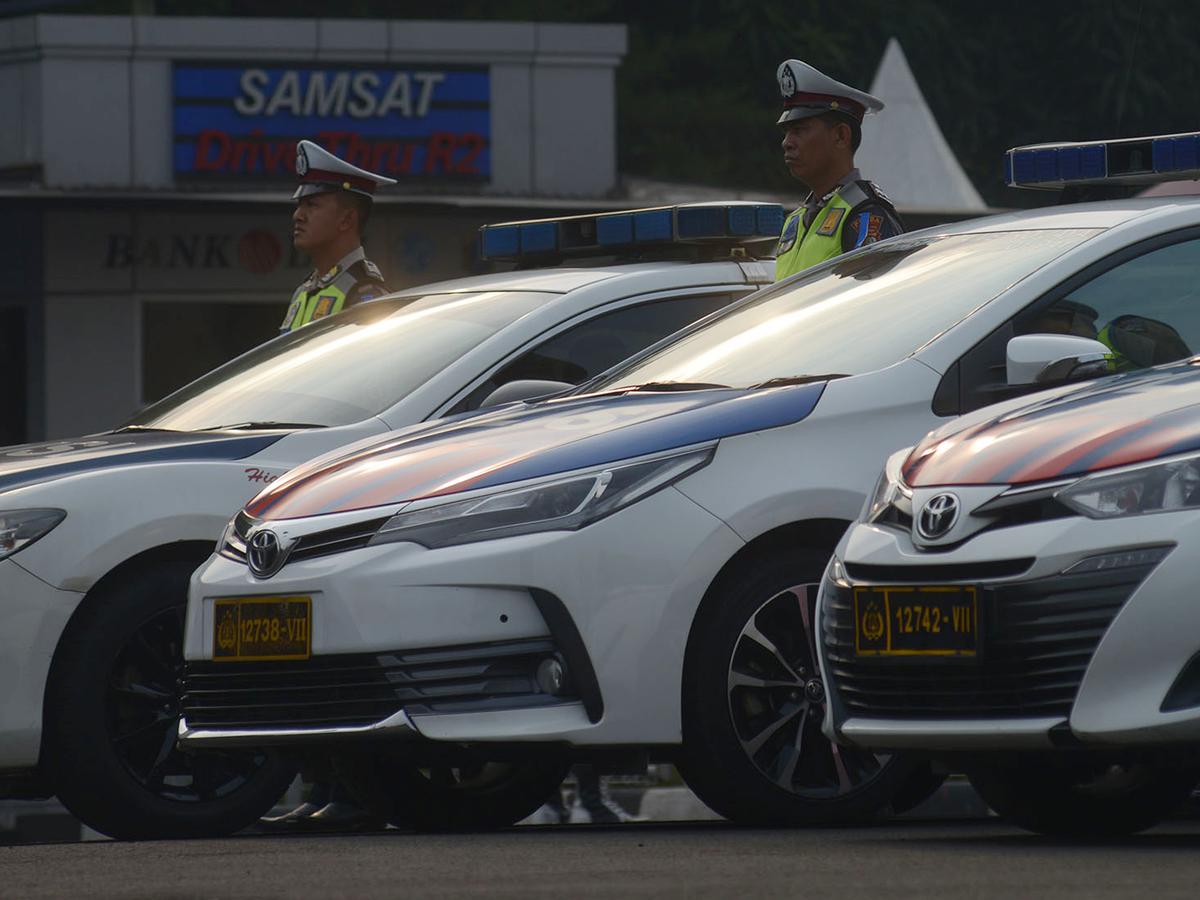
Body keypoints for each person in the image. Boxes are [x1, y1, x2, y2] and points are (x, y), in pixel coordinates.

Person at [773, 59, 904, 281]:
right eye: (786, 132)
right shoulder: (794, 222)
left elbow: (878, 306)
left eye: (799, 130)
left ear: (841, 136)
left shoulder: (866, 215)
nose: (787, 142)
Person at [279, 139, 395, 332]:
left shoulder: (366, 293)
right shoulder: (305, 291)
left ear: (347, 219)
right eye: (299, 205)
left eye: (312, 205)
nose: (298, 215)